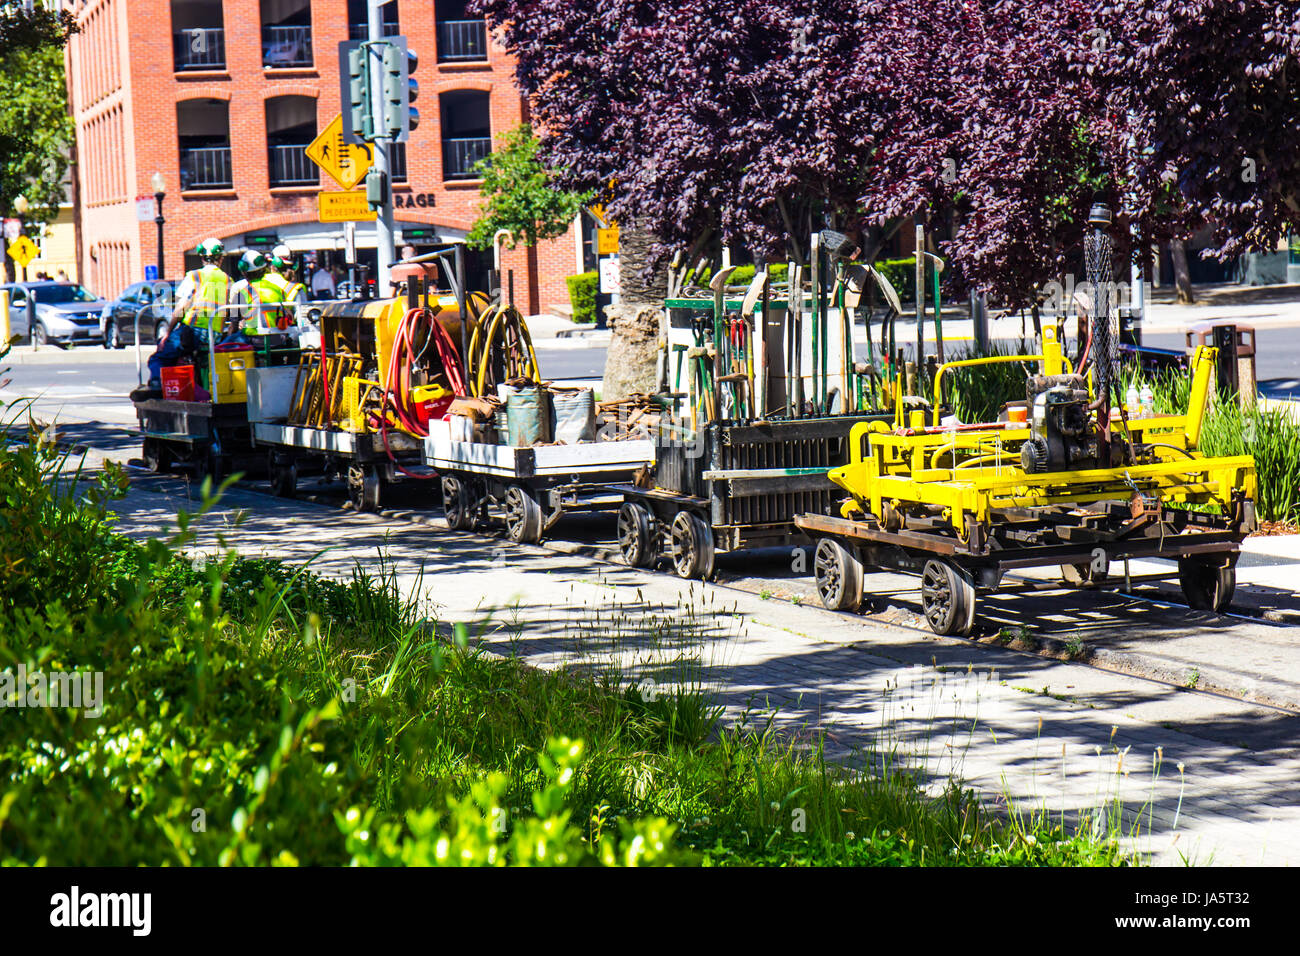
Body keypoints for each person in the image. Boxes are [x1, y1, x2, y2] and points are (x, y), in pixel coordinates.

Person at [136, 237, 233, 399]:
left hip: (191, 332)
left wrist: (167, 332)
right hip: (213, 335)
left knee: (158, 358)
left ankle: (156, 384)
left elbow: (181, 307)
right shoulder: (228, 280)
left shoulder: (194, 276)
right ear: (220, 258)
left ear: (202, 257)